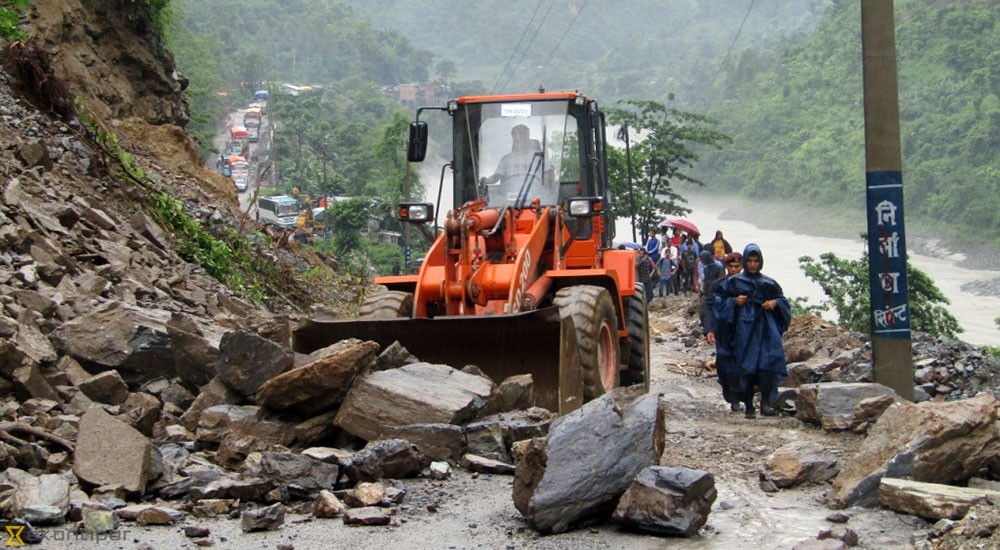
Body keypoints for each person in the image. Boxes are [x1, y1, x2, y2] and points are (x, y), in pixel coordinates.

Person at [713, 244, 791, 419]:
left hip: (765, 329)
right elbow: (718, 301)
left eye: (756, 261)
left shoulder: (769, 283)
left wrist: (775, 304)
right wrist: (734, 302)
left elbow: (782, 300)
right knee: (746, 368)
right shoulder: (734, 282)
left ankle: (765, 403)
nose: (753, 264)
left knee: (766, 366)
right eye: (750, 260)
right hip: (743, 330)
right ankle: (748, 405)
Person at [703, 252, 745, 411]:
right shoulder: (719, 285)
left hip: (743, 330)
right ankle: (729, 392)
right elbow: (710, 307)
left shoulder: (749, 284)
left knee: (740, 364)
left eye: (737, 266)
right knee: (724, 363)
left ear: (741, 267)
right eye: (731, 266)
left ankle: (737, 397)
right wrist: (709, 329)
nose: (734, 269)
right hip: (723, 330)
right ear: (726, 267)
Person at [479, 124, 552, 205]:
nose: (519, 138)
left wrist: (544, 182)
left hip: (536, 196)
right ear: (513, 138)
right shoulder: (506, 159)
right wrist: (486, 180)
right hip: (508, 199)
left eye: (522, 135)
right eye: (516, 136)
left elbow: (547, 175)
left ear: (527, 137)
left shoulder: (539, 156)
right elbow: (496, 177)